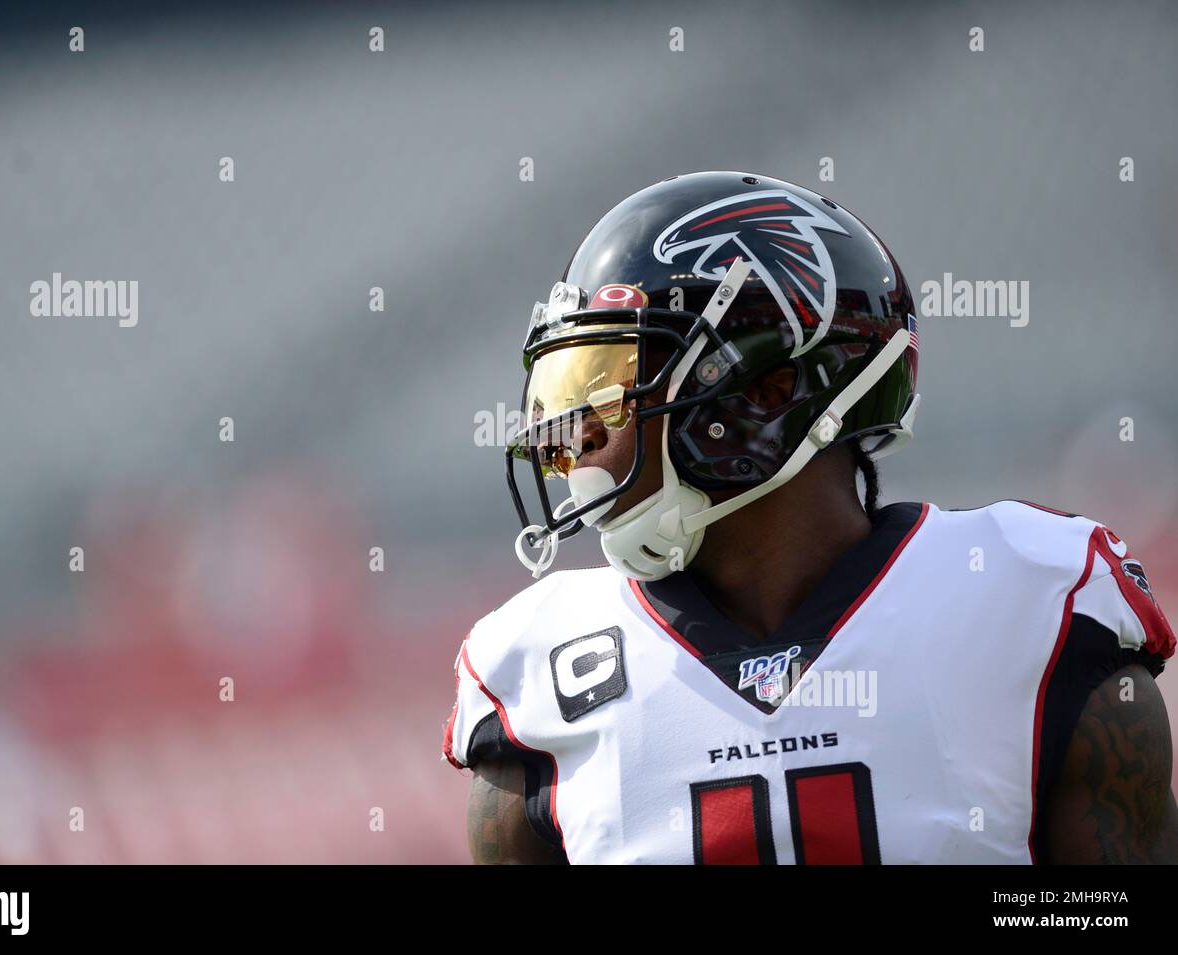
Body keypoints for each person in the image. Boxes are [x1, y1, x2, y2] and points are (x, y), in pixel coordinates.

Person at [442, 171, 1176, 864]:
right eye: (567, 388)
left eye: (608, 387)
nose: (572, 434)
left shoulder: (1029, 608)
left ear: (767, 390)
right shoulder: (532, 675)